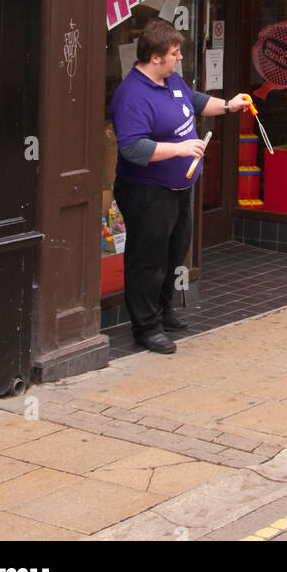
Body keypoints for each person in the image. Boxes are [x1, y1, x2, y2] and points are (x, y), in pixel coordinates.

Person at [111, 18, 250, 354]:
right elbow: (131, 148)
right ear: (155, 57)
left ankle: (164, 310)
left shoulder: (172, 80)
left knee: (173, 254)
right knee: (148, 259)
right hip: (146, 191)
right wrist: (180, 149)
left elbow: (197, 102)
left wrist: (230, 105)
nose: (180, 59)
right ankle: (146, 327)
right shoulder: (131, 95)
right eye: (174, 54)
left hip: (178, 189)